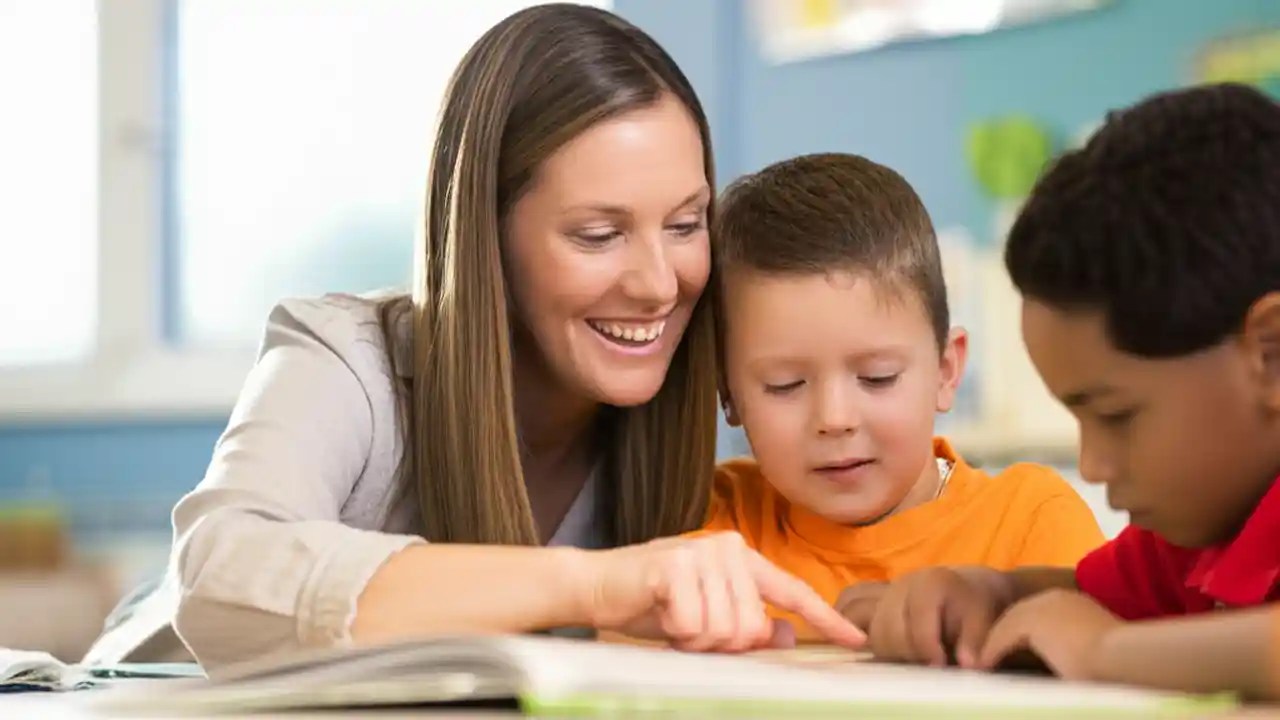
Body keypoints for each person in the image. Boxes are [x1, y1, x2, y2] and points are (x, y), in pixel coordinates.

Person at [88, 3, 862, 672]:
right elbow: (218, 573)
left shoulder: (678, 399)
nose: (660, 284)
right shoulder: (343, 357)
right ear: (485, 239)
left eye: (686, 225)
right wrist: (598, 584)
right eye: (598, 235)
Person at [835, 83, 1280, 701]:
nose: (1093, 465)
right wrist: (988, 592)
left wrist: (1103, 653)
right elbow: (1088, 598)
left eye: (1118, 416)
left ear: (1270, 355)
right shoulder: (1196, 535)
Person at [678, 152, 1102, 643]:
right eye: (785, 385)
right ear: (728, 393)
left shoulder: (1030, 521)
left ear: (945, 371)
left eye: (877, 378)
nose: (835, 419)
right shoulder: (712, 525)